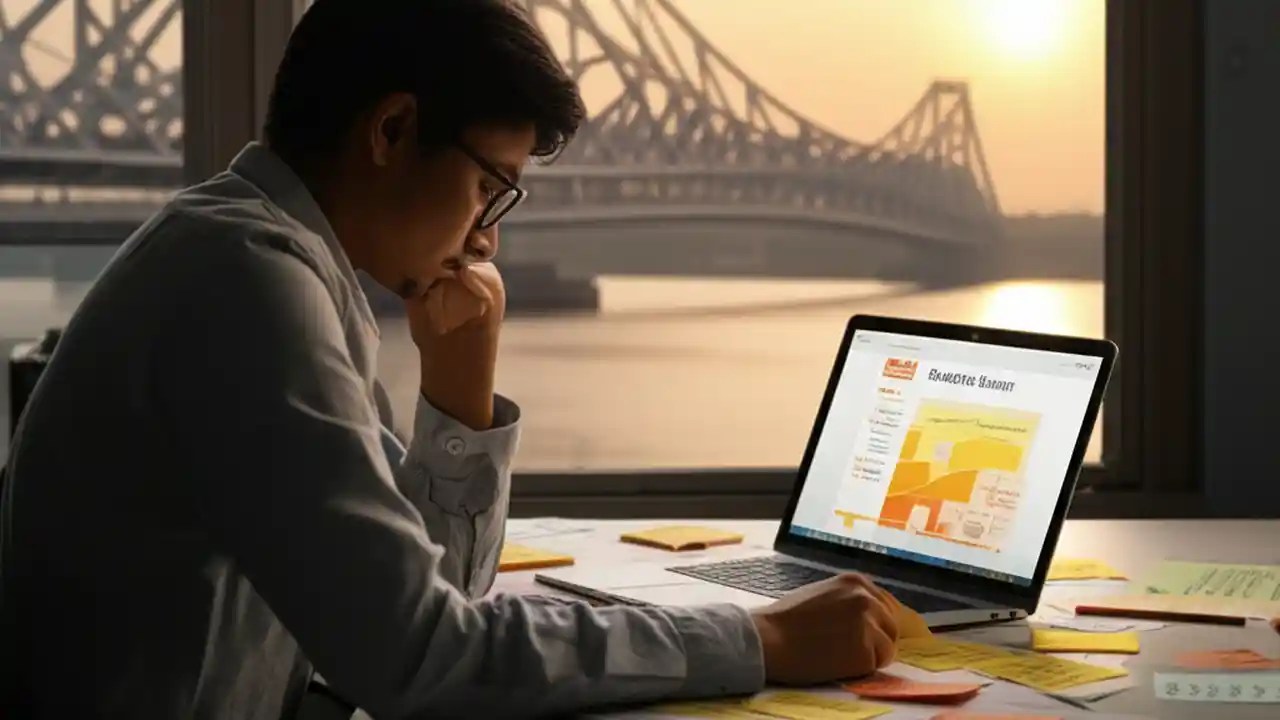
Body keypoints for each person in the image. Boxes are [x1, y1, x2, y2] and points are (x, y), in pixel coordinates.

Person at [0, 1, 901, 717]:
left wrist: (460, 393)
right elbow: (422, 660)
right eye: (488, 188)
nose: (487, 240)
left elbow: (426, 606)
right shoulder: (248, 287)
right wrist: (755, 641)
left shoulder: (267, 260)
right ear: (392, 131)